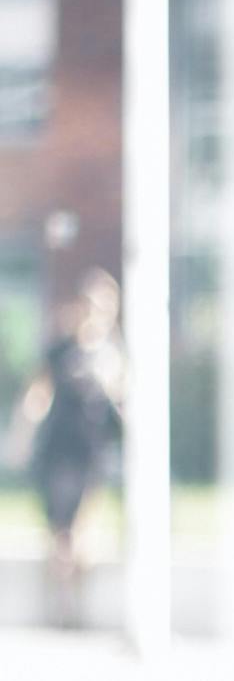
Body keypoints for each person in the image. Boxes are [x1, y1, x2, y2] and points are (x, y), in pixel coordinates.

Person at [16, 268, 124, 626]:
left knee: (82, 536)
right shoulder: (61, 350)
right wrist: (21, 434)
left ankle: (76, 605)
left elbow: (127, 402)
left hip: (91, 455)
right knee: (60, 536)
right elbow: (38, 393)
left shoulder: (114, 355)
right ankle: (63, 610)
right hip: (58, 453)